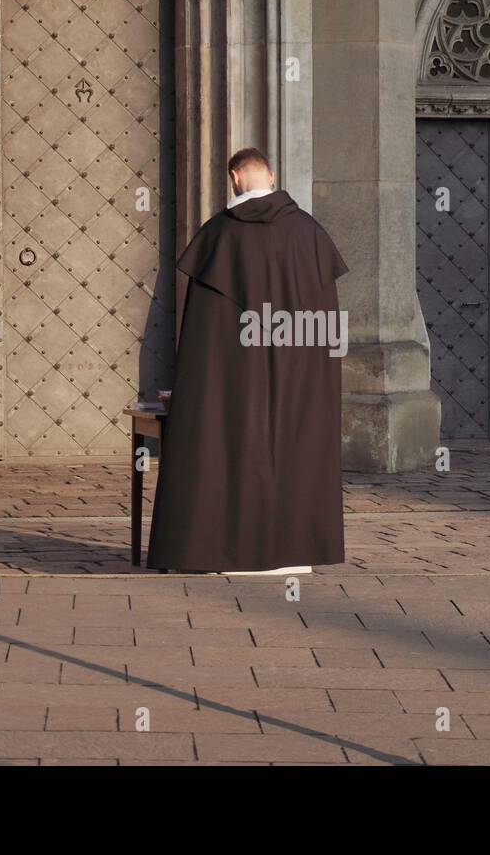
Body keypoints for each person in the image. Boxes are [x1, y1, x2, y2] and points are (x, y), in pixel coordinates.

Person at [146, 148, 350, 575]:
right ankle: (292, 553)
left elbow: (205, 332)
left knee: (229, 444)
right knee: (293, 444)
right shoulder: (310, 234)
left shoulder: (220, 236)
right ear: (271, 175)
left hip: (233, 377)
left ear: (234, 177)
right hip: (299, 372)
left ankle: (226, 550)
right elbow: (324, 321)